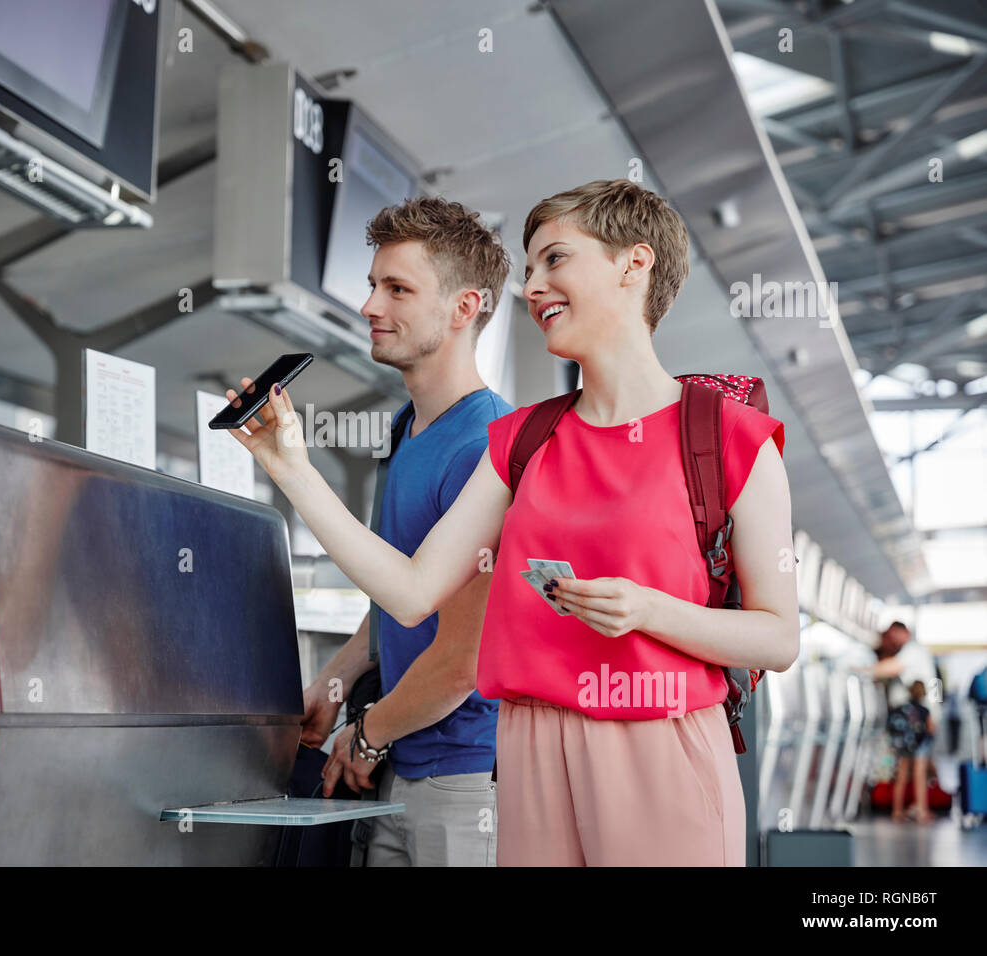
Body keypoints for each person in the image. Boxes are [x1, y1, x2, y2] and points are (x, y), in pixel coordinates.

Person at [226, 178, 798, 866]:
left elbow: (777, 637)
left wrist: (648, 610)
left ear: (634, 264)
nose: (533, 288)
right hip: (527, 755)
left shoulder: (731, 437)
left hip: (660, 745)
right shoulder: (522, 441)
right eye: (530, 269)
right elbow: (410, 592)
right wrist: (292, 469)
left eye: (555, 260)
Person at [295, 197, 513, 866]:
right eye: (372, 285)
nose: (370, 306)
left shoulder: (486, 447)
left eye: (397, 289)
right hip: (401, 765)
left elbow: (461, 662)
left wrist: (366, 735)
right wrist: (335, 680)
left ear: (463, 307)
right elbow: (402, 592)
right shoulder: (404, 429)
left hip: (462, 779)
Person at [887, 680, 936, 824]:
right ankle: (922, 811)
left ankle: (897, 811)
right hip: (921, 745)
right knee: (919, 777)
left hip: (904, 745)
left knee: (901, 777)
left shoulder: (902, 708)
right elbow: (931, 728)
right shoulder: (924, 710)